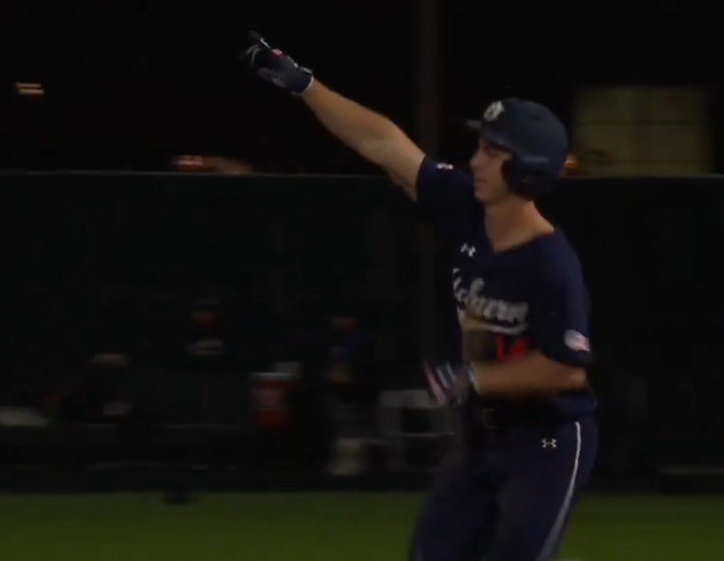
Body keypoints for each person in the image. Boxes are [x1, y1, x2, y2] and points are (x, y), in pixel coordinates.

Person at [244, 32, 598, 561]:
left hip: (547, 442)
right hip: (484, 435)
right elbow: (385, 144)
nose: (475, 162)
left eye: (492, 153)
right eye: (480, 147)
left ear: (526, 169)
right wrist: (303, 84)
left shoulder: (550, 264)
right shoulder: (465, 208)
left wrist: (474, 379)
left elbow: (566, 370)